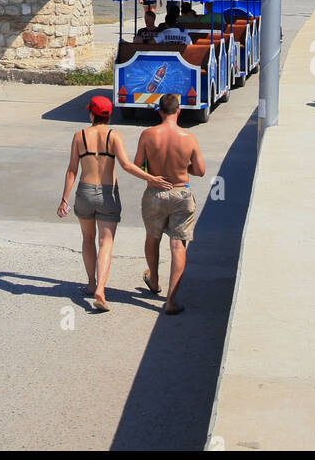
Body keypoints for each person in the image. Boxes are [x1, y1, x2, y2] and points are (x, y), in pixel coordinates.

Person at [58, 95, 171, 310]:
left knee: (87, 239)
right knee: (105, 243)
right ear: (108, 115)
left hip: (84, 191)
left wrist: (64, 199)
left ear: (91, 113)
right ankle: (101, 288)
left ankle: (91, 283)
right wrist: (151, 178)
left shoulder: (79, 136)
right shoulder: (114, 135)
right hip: (108, 194)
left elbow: (72, 169)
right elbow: (127, 165)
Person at [134, 94, 205, 314]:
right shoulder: (189, 137)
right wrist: (184, 169)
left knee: (152, 238)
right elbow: (200, 171)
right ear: (179, 111)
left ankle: (154, 280)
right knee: (177, 244)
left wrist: (153, 175)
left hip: (155, 193)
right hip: (181, 193)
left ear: (160, 111)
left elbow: (138, 165)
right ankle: (171, 301)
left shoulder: (147, 135)